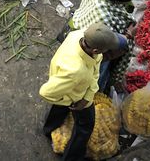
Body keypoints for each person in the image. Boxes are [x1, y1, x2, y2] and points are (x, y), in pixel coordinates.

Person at [40, 23, 126, 161]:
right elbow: (46, 92)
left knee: (60, 107)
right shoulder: (75, 71)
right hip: (76, 97)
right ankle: (71, 158)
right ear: (97, 50)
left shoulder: (79, 35)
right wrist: (71, 101)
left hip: (75, 89)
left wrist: (88, 95)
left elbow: (95, 69)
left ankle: (48, 128)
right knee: (86, 125)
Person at [68, 0, 135, 91]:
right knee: (102, 66)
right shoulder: (105, 20)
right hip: (90, 39)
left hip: (79, 21)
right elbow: (112, 40)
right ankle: (96, 89)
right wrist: (128, 34)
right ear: (118, 2)